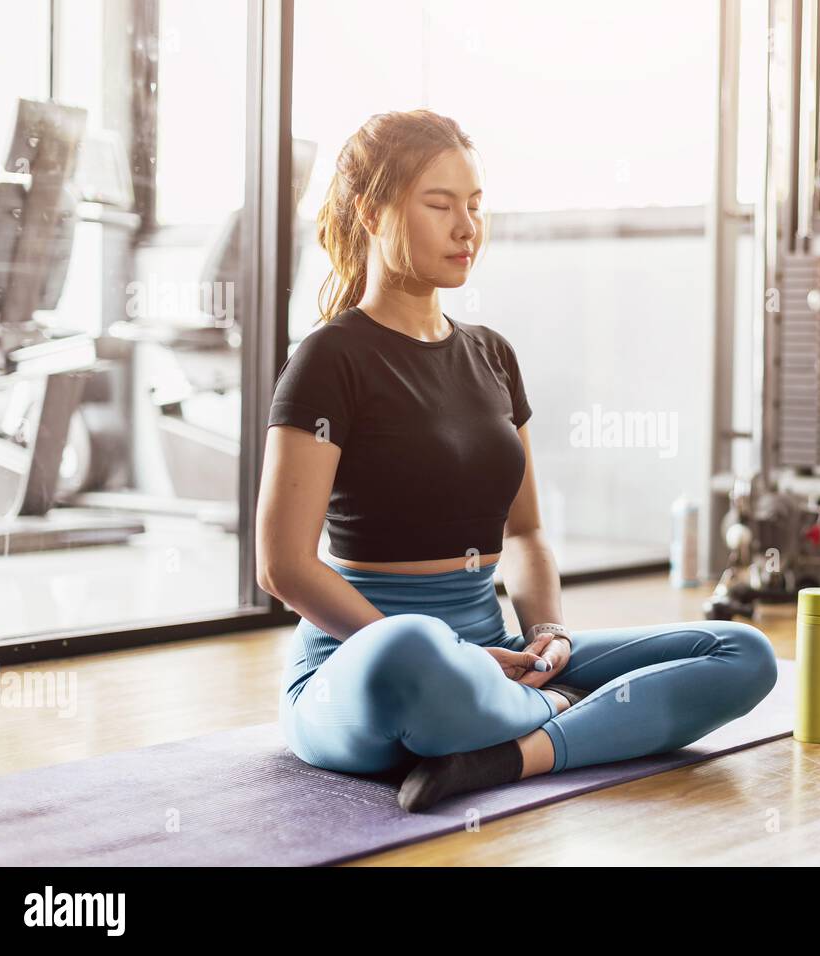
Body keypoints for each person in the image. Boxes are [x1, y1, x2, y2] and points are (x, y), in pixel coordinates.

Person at [255, 109, 778, 813]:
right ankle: (578, 716)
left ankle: (513, 755)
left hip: (498, 653)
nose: (467, 227)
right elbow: (282, 565)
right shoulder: (330, 360)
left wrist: (547, 633)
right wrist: (458, 659)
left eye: (475, 205)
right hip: (368, 663)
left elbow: (526, 535)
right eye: (439, 205)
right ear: (372, 215)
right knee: (413, 647)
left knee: (743, 655)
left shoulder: (492, 355)